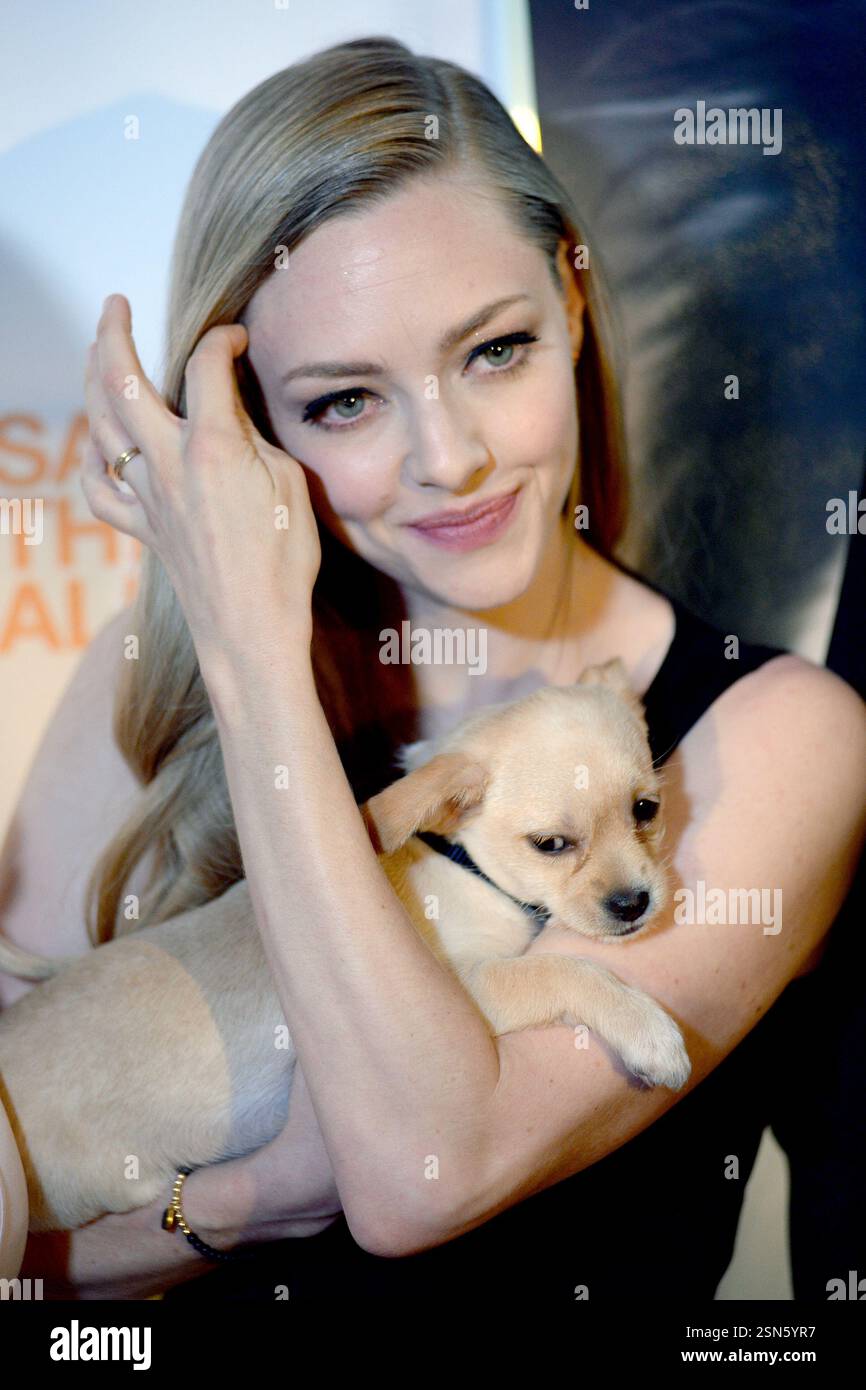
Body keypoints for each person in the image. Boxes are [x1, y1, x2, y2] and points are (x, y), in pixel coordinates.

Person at [4, 36, 864, 1300]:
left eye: (493, 350)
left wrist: (256, 670)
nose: (447, 457)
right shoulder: (177, 683)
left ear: (570, 306)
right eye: (345, 400)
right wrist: (221, 1211)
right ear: (255, 433)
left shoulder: (782, 735)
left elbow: (422, 1172)